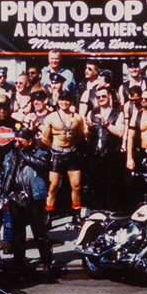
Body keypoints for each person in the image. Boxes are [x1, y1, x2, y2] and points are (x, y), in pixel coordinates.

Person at [0, 128, 54, 282]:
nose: (16, 144)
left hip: (34, 198)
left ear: (30, 141)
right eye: (15, 140)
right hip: (15, 199)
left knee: (39, 233)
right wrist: (2, 196)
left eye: (20, 141)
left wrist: (24, 155)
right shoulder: (9, 156)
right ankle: (19, 266)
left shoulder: (41, 154)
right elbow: (3, 176)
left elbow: (43, 165)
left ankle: (47, 264)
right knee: (18, 234)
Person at [41, 89, 87, 226]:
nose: (64, 103)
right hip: (57, 154)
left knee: (77, 186)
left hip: (72, 154)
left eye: (67, 100)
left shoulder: (78, 118)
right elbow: (44, 138)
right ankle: (48, 215)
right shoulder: (51, 117)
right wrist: (55, 148)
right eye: (62, 100)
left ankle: (76, 215)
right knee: (53, 186)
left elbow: (80, 137)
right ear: (58, 101)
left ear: (71, 101)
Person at [84, 83, 127, 212]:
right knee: (96, 186)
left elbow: (120, 132)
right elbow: (86, 136)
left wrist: (105, 122)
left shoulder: (118, 113)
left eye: (103, 96)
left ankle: (111, 214)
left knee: (112, 187)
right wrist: (89, 129)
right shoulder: (92, 113)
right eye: (98, 97)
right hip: (95, 155)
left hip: (111, 155)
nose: (101, 99)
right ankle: (98, 214)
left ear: (109, 96)